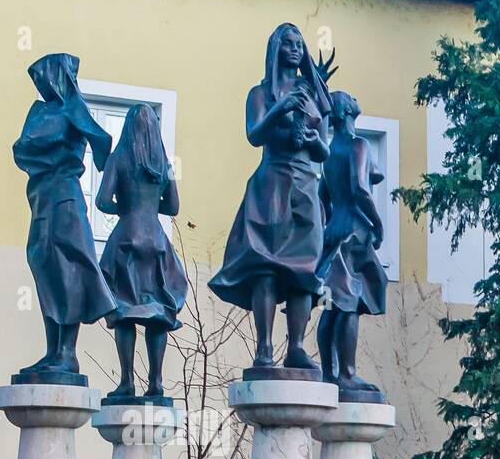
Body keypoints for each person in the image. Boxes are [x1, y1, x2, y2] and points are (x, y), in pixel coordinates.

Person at [208, 23, 332, 371]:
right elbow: (254, 134)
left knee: (303, 270)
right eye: (288, 43)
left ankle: (296, 347)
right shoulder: (260, 93)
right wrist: (280, 109)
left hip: (305, 188)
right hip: (271, 185)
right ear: (276, 49)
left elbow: (324, 150)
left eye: (299, 44)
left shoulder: (313, 93)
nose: (295, 49)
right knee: (265, 266)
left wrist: (313, 141)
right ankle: (264, 348)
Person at [12, 53, 115, 377]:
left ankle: (67, 353)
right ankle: (52, 351)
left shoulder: (73, 108)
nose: (39, 84)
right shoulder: (39, 111)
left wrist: (108, 169)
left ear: (56, 75)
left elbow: (102, 142)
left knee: (69, 267)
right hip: (41, 196)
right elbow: (21, 149)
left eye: (42, 77)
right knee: (43, 265)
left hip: (65, 196)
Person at [97, 104, 187, 400]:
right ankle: (156, 382)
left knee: (124, 312)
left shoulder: (119, 158)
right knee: (157, 313)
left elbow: (101, 201)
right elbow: (173, 207)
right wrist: (149, 206)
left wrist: (126, 207)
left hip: (126, 240)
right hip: (156, 242)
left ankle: (127, 381)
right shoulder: (163, 163)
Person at [316, 90, 388, 398]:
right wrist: (378, 224)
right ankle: (346, 374)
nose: (358, 98)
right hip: (355, 231)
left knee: (332, 303)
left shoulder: (330, 150)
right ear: (346, 110)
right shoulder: (359, 144)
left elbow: (322, 196)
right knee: (352, 301)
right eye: (352, 98)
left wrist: (329, 224)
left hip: (335, 229)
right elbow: (360, 188)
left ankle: (329, 373)